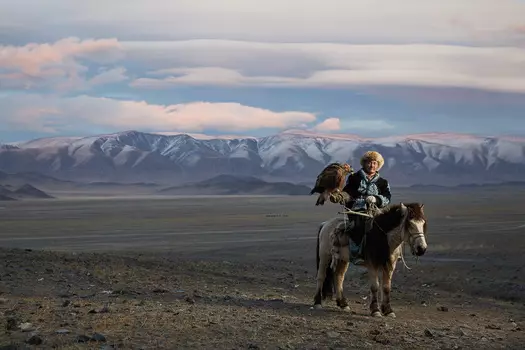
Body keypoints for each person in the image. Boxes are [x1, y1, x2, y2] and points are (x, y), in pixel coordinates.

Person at [329, 151, 392, 265]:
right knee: (359, 226)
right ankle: (357, 254)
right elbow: (348, 193)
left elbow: (387, 198)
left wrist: (376, 199)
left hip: (376, 210)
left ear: (378, 165)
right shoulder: (354, 178)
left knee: (387, 227)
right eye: (369, 162)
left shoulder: (383, 182)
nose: (372, 165)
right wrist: (340, 197)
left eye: (374, 163)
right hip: (357, 209)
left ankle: (386, 253)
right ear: (364, 164)